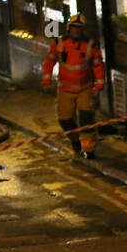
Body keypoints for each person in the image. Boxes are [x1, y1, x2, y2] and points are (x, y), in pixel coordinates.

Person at [42, 13, 105, 158]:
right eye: (74, 28)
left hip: (85, 88)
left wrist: (99, 84)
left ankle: (89, 150)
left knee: (86, 118)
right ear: (69, 28)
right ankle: (75, 141)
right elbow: (49, 61)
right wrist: (47, 79)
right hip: (65, 89)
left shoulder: (90, 45)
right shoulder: (60, 44)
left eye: (79, 28)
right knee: (65, 120)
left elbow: (98, 65)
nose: (76, 31)